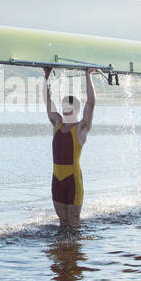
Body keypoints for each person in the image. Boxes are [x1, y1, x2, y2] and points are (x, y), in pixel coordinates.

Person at [43, 66, 96, 226]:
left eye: (70, 108)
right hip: (56, 180)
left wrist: (88, 76)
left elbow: (91, 103)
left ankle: (75, 250)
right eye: (64, 107)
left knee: (73, 220)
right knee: (62, 221)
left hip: (73, 181)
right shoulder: (57, 123)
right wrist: (46, 76)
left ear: (77, 110)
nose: (66, 111)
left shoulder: (81, 128)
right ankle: (64, 251)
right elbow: (47, 100)